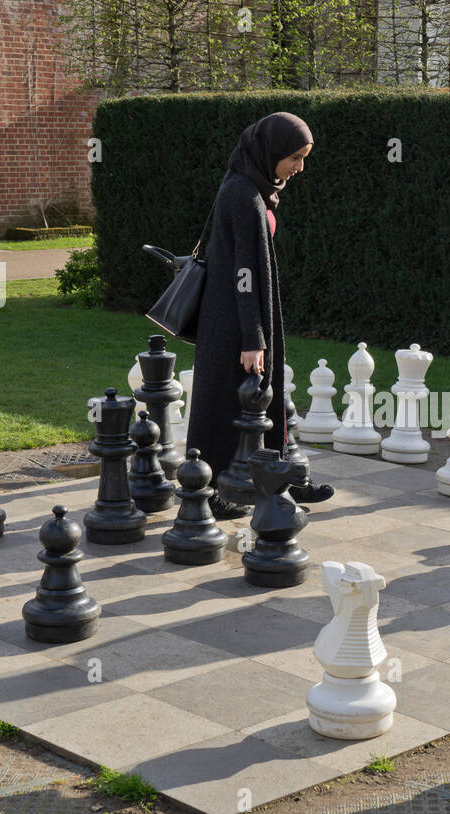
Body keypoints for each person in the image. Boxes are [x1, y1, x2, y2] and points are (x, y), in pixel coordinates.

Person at [185, 111, 332, 520]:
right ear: (272, 151)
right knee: (228, 401)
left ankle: (280, 482)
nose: (299, 167)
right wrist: (252, 336)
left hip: (240, 316)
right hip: (232, 320)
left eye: (304, 157)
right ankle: (211, 489)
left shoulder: (254, 187)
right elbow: (244, 272)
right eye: (296, 157)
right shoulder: (242, 193)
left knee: (258, 401)